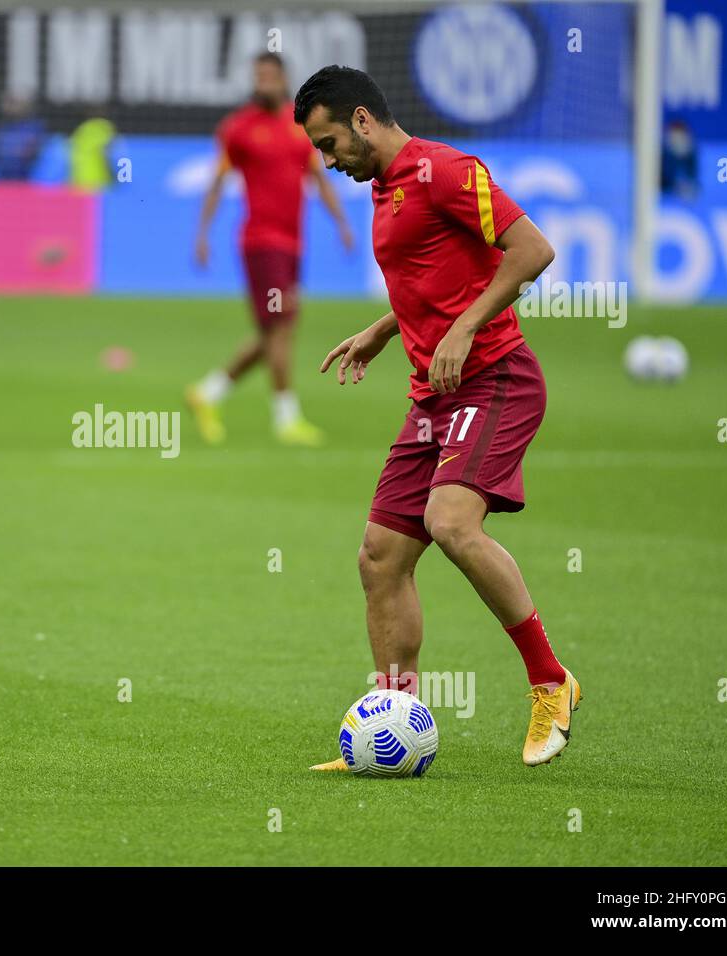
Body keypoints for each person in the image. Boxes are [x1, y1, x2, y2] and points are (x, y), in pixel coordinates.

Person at [295, 66, 580, 769]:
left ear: (363, 120)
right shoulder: (388, 188)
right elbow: (439, 274)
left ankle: (551, 682)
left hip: (497, 378)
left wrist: (464, 329)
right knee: (380, 557)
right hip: (434, 394)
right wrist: (384, 330)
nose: (328, 163)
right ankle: (392, 727)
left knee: (450, 523)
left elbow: (531, 251)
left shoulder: (447, 170)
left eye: (329, 144)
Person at [186, 53, 353, 448]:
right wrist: (203, 233)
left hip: (295, 244)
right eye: (257, 76)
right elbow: (216, 182)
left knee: (275, 330)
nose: (263, 83)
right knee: (281, 327)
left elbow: (319, 177)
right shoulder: (238, 128)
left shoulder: (301, 127)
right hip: (262, 243)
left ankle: (208, 394)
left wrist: (342, 223)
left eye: (269, 77)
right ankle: (286, 417)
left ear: (283, 80)